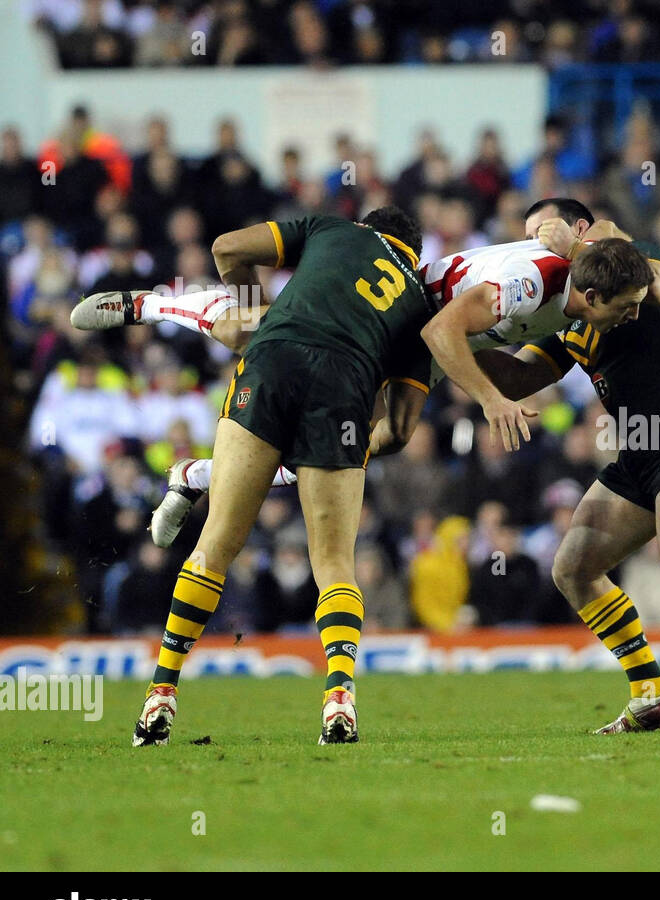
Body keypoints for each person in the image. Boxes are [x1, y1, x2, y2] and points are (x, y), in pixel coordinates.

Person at [79, 206, 434, 746]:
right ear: (416, 253)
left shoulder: (332, 230)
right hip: (346, 388)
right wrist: (359, 446)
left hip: (271, 359)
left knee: (214, 547)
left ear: (365, 227)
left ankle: (161, 694)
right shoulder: (422, 303)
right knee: (334, 562)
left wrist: (258, 315)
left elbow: (225, 248)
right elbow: (404, 428)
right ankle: (339, 698)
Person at [135, 198, 600, 546]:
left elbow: (516, 373)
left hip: (432, 334)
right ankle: (153, 302)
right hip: (411, 321)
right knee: (254, 337)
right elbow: (443, 331)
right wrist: (489, 399)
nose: (536, 237)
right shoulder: (541, 272)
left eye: (540, 230)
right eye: (535, 231)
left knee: (384, 437)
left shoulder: (582, 295)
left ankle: (198, 475)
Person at [465, 216, 660, 735]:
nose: (630, 312)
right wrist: (460, 339)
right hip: (639, 447)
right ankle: (651, 693)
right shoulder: (568, 314)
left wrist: (577, 245)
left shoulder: (635, 265)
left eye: (545, 231)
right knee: (574, 567)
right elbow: (517, 378)